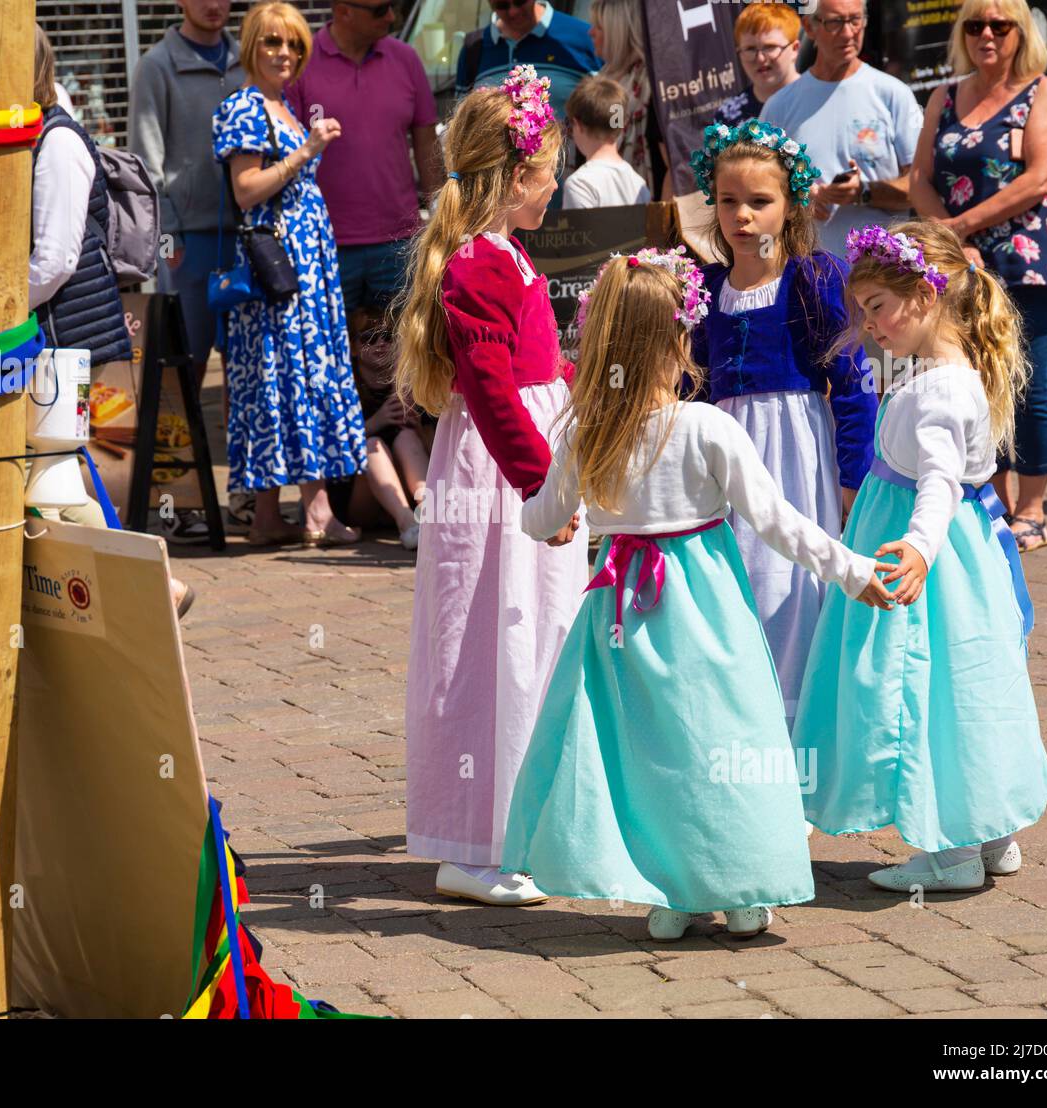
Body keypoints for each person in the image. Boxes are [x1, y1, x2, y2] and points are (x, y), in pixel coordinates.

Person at [501, 248, 890, 941]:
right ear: (676, 343)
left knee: (650, 752)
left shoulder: (588, 431)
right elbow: (778, 522)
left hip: (620, 617)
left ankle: (671, 889)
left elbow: (537, 517)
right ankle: (741, 884)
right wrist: (853, 572)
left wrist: (563, 515)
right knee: (727, 740)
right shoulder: (707, 426)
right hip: (707, 615)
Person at [794, 221, 1047, 892]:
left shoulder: (938, 388)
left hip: (932, 567)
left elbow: (939, 481)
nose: (871, 325)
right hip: (964, 562)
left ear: (927, 294)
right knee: (968, 692)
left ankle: (951, 853)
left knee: (921, 689)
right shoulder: (945, 370)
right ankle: (990, 833)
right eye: (864, 310)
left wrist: (914, 546)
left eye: (879, 307)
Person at [394, 66, 589, 906]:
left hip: (518, 470)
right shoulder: (478, 265)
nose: (557, 186)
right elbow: (492, 391)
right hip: (499, 480)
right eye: (549, 171)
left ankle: (519, 820)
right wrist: (542, 490)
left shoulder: (501, 256)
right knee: (491, 643)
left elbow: (531, 374)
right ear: (515, 177)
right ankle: (473, 843)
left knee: (532, 638)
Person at [687, 119, 876, 735]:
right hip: (723, 447)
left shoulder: (813, 278)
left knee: (786, 577)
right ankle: (738, 716)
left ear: (790, 203)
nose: (742, 216)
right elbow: (690, 379)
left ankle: (791, 722)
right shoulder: (705, 287)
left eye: (760, 202)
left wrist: (855, 475)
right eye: (728, 201)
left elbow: (849, 380)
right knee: (732, 572)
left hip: (792, 448)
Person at [32, 26, 195, 616]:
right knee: (68, 472)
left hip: (69, 339)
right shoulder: (34, 137)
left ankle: (145, 591)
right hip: (54, 337)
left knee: (83, 467)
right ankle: (147, 591)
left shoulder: (57, 142)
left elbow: (54, 259)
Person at [909, 0, 1047, 554]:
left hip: (1031, 260)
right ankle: (996, 505)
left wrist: (958, 228)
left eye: (1000, 25)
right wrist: (954, 242)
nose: (987, 34)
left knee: (1029, 382)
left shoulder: (1044, 90)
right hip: (965, 262)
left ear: (1020, 32)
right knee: (977, 381)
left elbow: (1039, 177)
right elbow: (919, 178)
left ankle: (1033, 509)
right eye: (975, 24)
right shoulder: (944, 95)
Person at [214, 1, 367, 547]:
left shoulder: (280, 105)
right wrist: (307, 150)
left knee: (285, 377)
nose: (286, 54)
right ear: (252, 45)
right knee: (289, 374)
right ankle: (315, 510)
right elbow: (246, 188)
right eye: (273, 43)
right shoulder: (245, 107)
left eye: (295, 45)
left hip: (303, 266)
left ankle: (267, 517)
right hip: (279, 269)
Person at [129, 0, 245, 539]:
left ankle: (247, 498)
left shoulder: (250, 56)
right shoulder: (157, 65)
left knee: (246, 373)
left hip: (250, 238)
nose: (215, 5)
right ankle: (179, 504)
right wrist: (169, 241)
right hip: (190, 245)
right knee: (185, 374)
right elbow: (147, 164)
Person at [286, 1, 441, 315]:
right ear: (344, 11)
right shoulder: (301, 63)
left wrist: (440, 210)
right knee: (330, 351)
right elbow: (289, 151)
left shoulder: (406, 59)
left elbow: (426, 141)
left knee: (403, 354)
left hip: (399, 241)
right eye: (380, 9)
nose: (391, 16)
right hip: (325, 242)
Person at [761, 0, 922, 257]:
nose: (848, 33)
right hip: (810, 275)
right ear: (809, 28)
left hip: (883, 278)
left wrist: (864, 192)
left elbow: (921, 187)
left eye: (855, 20)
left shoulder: (893, 95)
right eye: (835, 22)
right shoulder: (780, 106)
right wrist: (801, 197)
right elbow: (758, 192)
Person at [325, 308, 428, 549]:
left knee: (407, 438)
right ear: (353, 347)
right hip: (355, 498)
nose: (381, 343)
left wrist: (419, 428)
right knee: (373, 445)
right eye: (369, 337)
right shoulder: (343, 389)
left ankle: (428, 511)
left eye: (388, 336)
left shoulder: (410, 387)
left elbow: (435, 450)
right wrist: (375, 423)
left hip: (406, 488)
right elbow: (332, 452)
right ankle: (407, 522)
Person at [455, 1, 600, 125]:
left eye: (520, 1)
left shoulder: (585, 37)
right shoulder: (474, 48)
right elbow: (459, 122)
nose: (513, 11)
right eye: (501, 5)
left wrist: (614, 139)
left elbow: (617, 101)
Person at [588, 0, 661, 195]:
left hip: (643, 194)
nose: (590, 32)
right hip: (602, 193)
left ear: (618, 32)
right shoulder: (602, 80)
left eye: (598, 27)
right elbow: (615, 127)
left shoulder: (650, 82)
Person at [561, 75, 650, 209]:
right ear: (621, 124)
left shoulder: (579, 185)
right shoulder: (639, 184)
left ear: (578, 125)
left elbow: (580, 230)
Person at [715, 0, 802, 126]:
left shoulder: (818, 101)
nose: (760, 58)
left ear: (795, 49)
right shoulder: (727, 117)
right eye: (750, 49)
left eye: (769, 47)